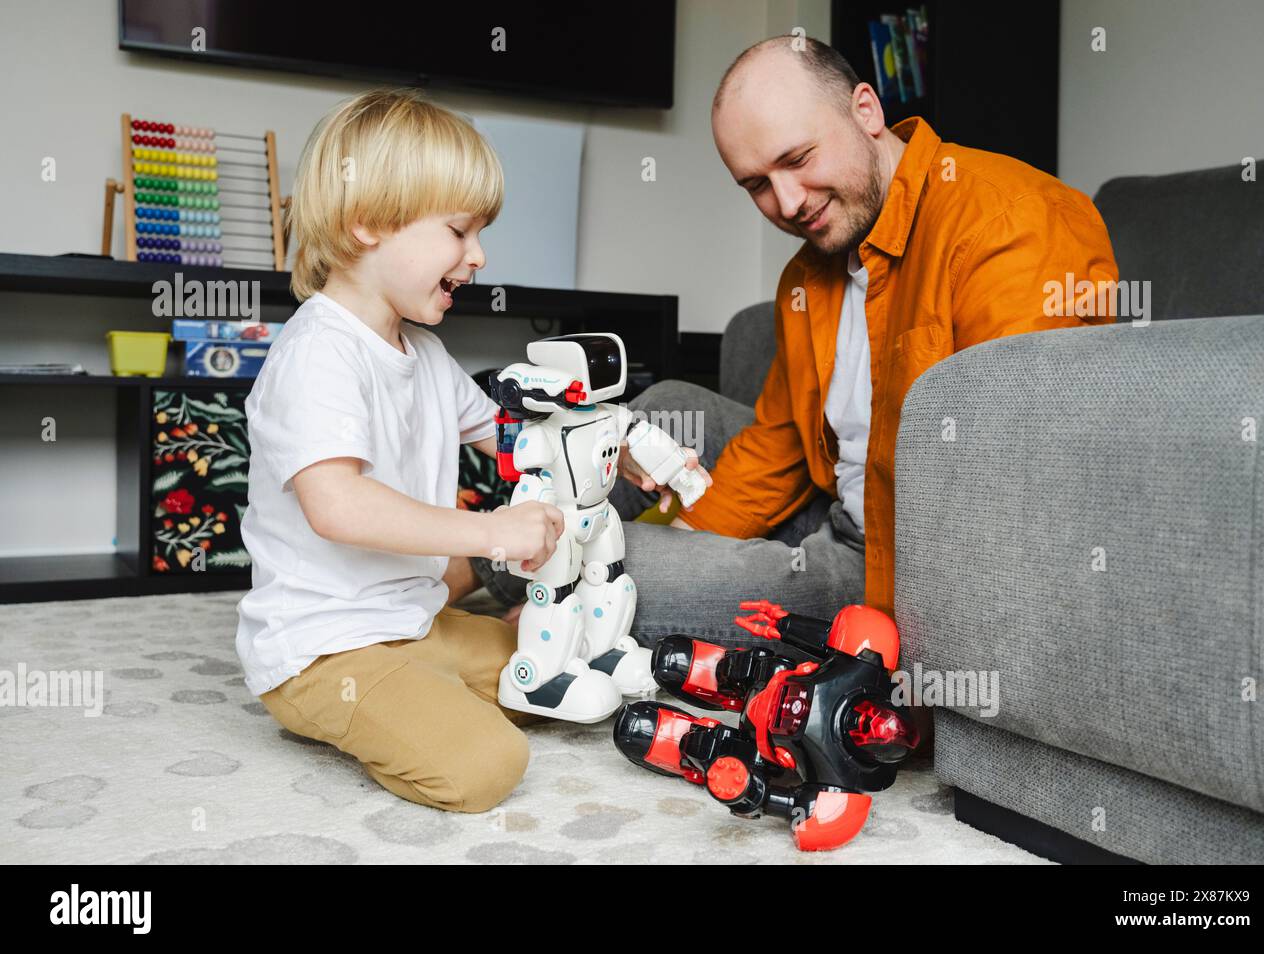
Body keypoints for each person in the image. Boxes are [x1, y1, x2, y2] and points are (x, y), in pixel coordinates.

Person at [463, 36, 1119, 749]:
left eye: (798, 160)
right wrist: (688, 535)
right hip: (831, 508)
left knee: (613, 559)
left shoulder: (1011, 222)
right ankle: (457, 565)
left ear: (866, 109)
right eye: (755, 184)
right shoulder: (811, 276)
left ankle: (505, 633)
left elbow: (1014, 500)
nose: (787, 203)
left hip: (890, 572)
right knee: (645, 412)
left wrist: (901, 667)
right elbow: (775, 450)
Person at [236, 89, 574, 813]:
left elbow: (503, 436)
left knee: (560, 675)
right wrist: (491, 533)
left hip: (410, 619)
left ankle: (433, 685)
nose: (478, 256)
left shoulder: (422, 351)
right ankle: (352, 711)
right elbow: (337, 505)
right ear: (368, 224)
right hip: (326, 650)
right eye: (459, 231)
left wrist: (598, 442)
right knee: (489, 764)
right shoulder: (318, 354)